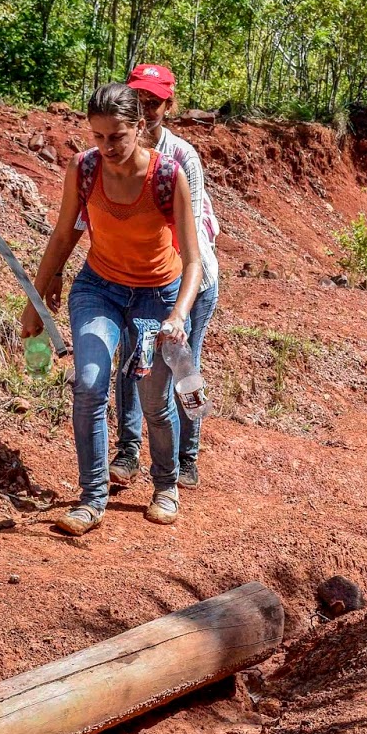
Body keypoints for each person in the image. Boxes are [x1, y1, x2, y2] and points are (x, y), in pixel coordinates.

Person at [23, 83, 204, 533]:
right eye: (99, 136)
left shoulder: (168, 176)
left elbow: (194, 260)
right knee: (88, 384)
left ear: (139, 127)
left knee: (153, 401)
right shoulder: (84, 169)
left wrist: (178, 314)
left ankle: (165, 485)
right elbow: (64, 236)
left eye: (117, 136)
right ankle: (92, 497)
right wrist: (35, 300)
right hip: (98, 289)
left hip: (157, 296)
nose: (107, 146)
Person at [111, 65, 221, 490]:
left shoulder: (182, 157)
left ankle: (187, 456)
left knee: (182, 366)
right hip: (136, 278)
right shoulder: (117, 151)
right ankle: (128, 451)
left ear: (167, 106)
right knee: (131, 362)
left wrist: (175, 300)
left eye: (154, 102)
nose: (146, 109)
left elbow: (188, 232)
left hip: (190, 280)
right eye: (138, 100)